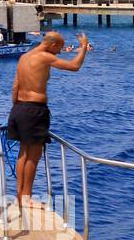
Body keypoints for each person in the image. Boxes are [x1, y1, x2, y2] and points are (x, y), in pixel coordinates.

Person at [6, 31, 90, 223]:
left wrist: (18, 109)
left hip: (18, 108)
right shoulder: (45, 57)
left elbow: (15, 86)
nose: (59, 53)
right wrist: (84, 47)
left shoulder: (24, 56)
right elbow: (75, 66)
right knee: (33, 156)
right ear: (52, 45)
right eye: (59, 49)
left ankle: (20, 196)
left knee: (23, 154)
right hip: (34, 110)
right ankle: (26, 199)